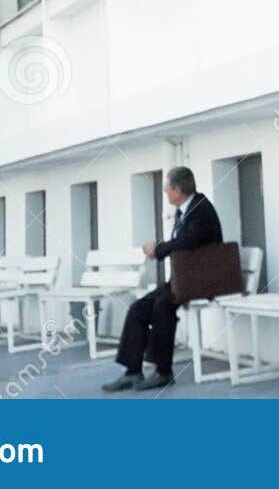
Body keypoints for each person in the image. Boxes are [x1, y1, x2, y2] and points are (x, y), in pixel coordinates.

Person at [102, 166, 222, 391]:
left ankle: (163, 371)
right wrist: (160, 248)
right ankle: (133, 371)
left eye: (167, 188)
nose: (165, 192)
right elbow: (182, 242)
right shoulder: (183, 210)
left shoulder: (201, 209)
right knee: (138, 308)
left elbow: (190, 241)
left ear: (177, 189)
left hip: (204, 280)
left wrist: (160, 248)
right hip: (183, 279)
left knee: (163, 306)